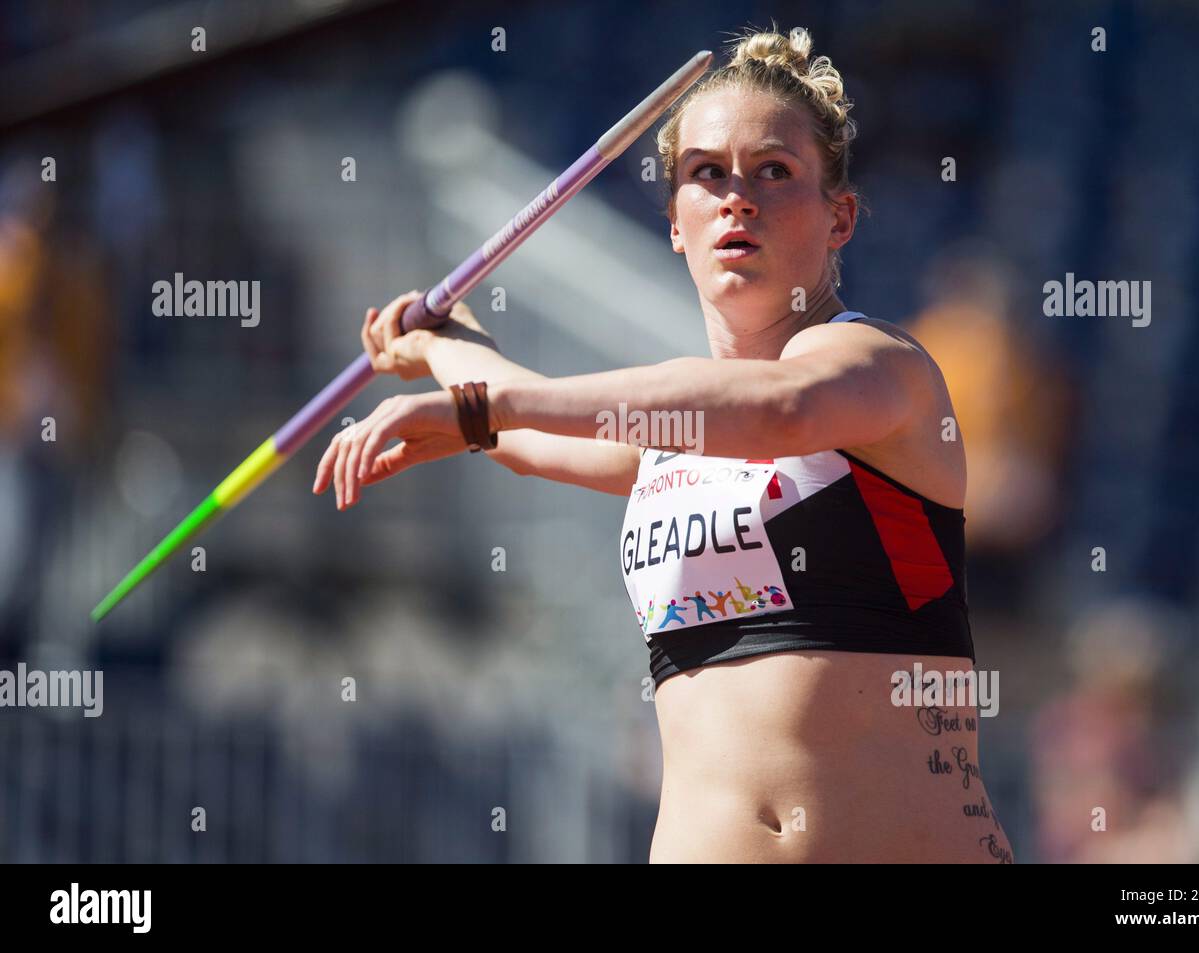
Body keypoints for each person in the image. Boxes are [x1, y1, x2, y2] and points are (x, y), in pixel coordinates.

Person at [312, 26, 1013, 863]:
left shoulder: (879, 369)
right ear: (676, 223)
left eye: (774, 172)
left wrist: (478, 401)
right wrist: (439, 346)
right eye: (707, 173)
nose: (737, 197)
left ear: (841, 218)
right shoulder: (670, 443)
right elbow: (524, 431)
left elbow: (779, 412)